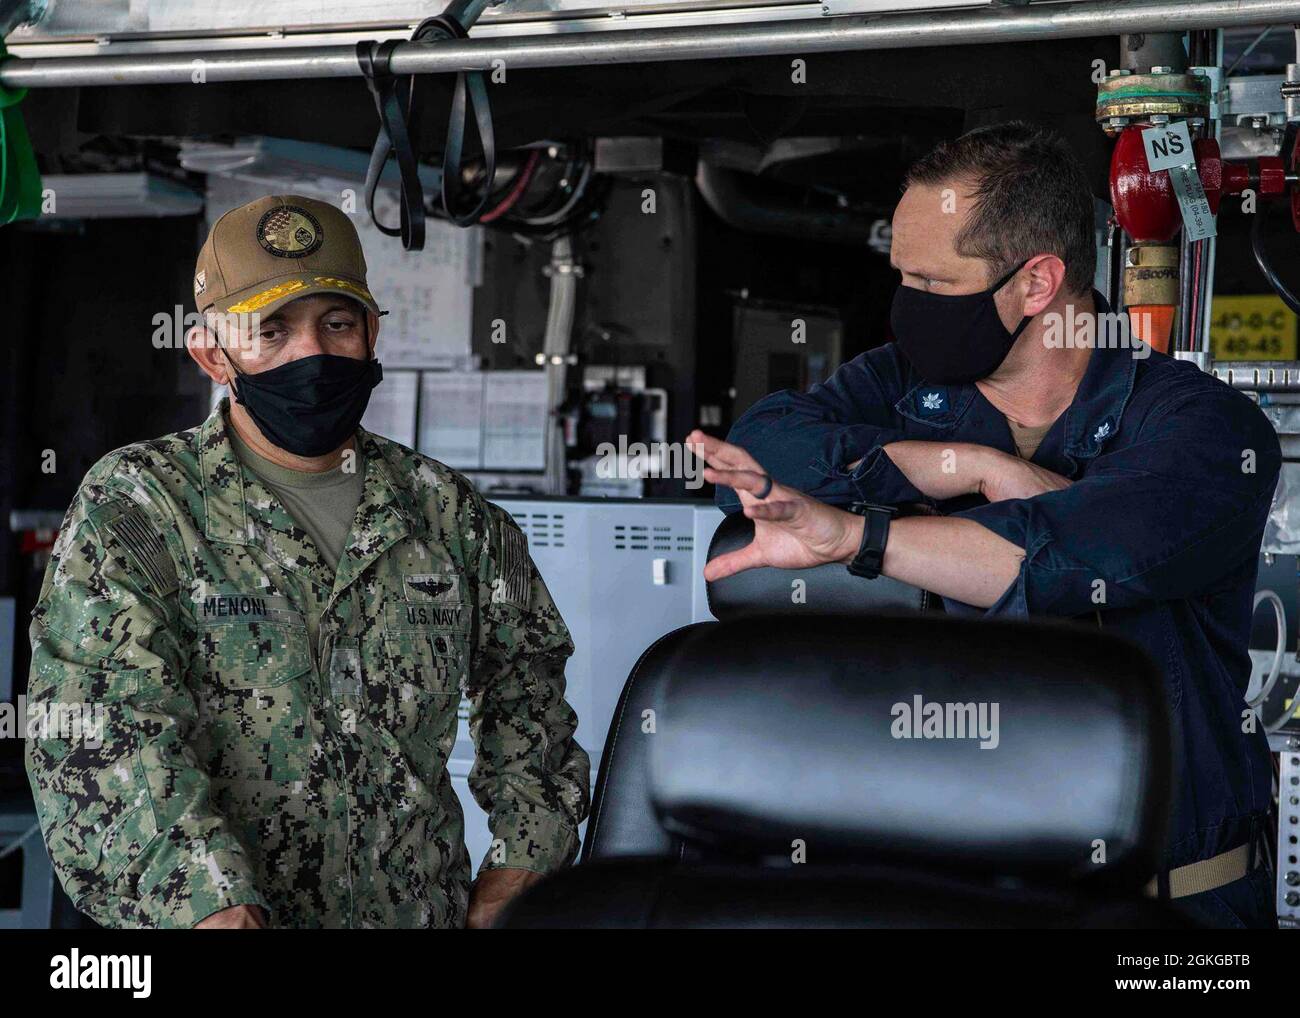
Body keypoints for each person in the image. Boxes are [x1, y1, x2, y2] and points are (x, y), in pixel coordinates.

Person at [696, 122, 1281, 928]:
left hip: (1169, 914)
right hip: (949, 899)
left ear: (1037, 283)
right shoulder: (896, 384)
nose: (907, 308)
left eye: (933, 287)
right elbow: (756, 456)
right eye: (900, 278)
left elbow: (1072, 556)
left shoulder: (1203, 430)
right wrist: (961, 467)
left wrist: (863, 535)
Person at [25, 194, 590, 928]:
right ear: (210, 352)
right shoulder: (139, 506)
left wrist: (522, 867)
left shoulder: (448, 511)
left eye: (337, 323)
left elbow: (529, 686)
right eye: (270, 330)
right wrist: (211, 903)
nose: (312, 354)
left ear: (372, 333)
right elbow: (98, 726)